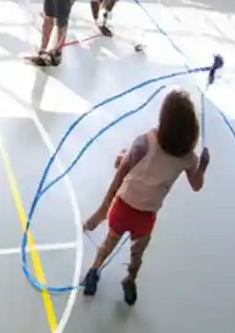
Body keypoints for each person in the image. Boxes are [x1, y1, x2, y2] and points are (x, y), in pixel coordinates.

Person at [82, 89, 209, 305]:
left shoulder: (145, 141)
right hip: (147, 217)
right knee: (137, 253)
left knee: (110, 241)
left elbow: (122, 170)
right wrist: (203, 167)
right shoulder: (188, 157)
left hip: (123, 207)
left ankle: (94, 271)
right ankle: (130, 279)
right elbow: (196, 185)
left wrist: (105, 205)